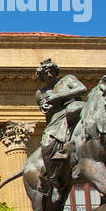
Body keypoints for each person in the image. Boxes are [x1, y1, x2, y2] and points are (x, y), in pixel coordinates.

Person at [35, 59, 86, 200]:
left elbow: (82, 89)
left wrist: (58, 96)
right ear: (42, 76)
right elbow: (44, 108)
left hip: (75, 107)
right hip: (56, 118)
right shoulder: (41, 92)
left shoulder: (67, 80)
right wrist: (47, 106)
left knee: (77, 111)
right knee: (46, 144)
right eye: (46, 73)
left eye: (51, 71)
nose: (49, 75)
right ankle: (54, 181)